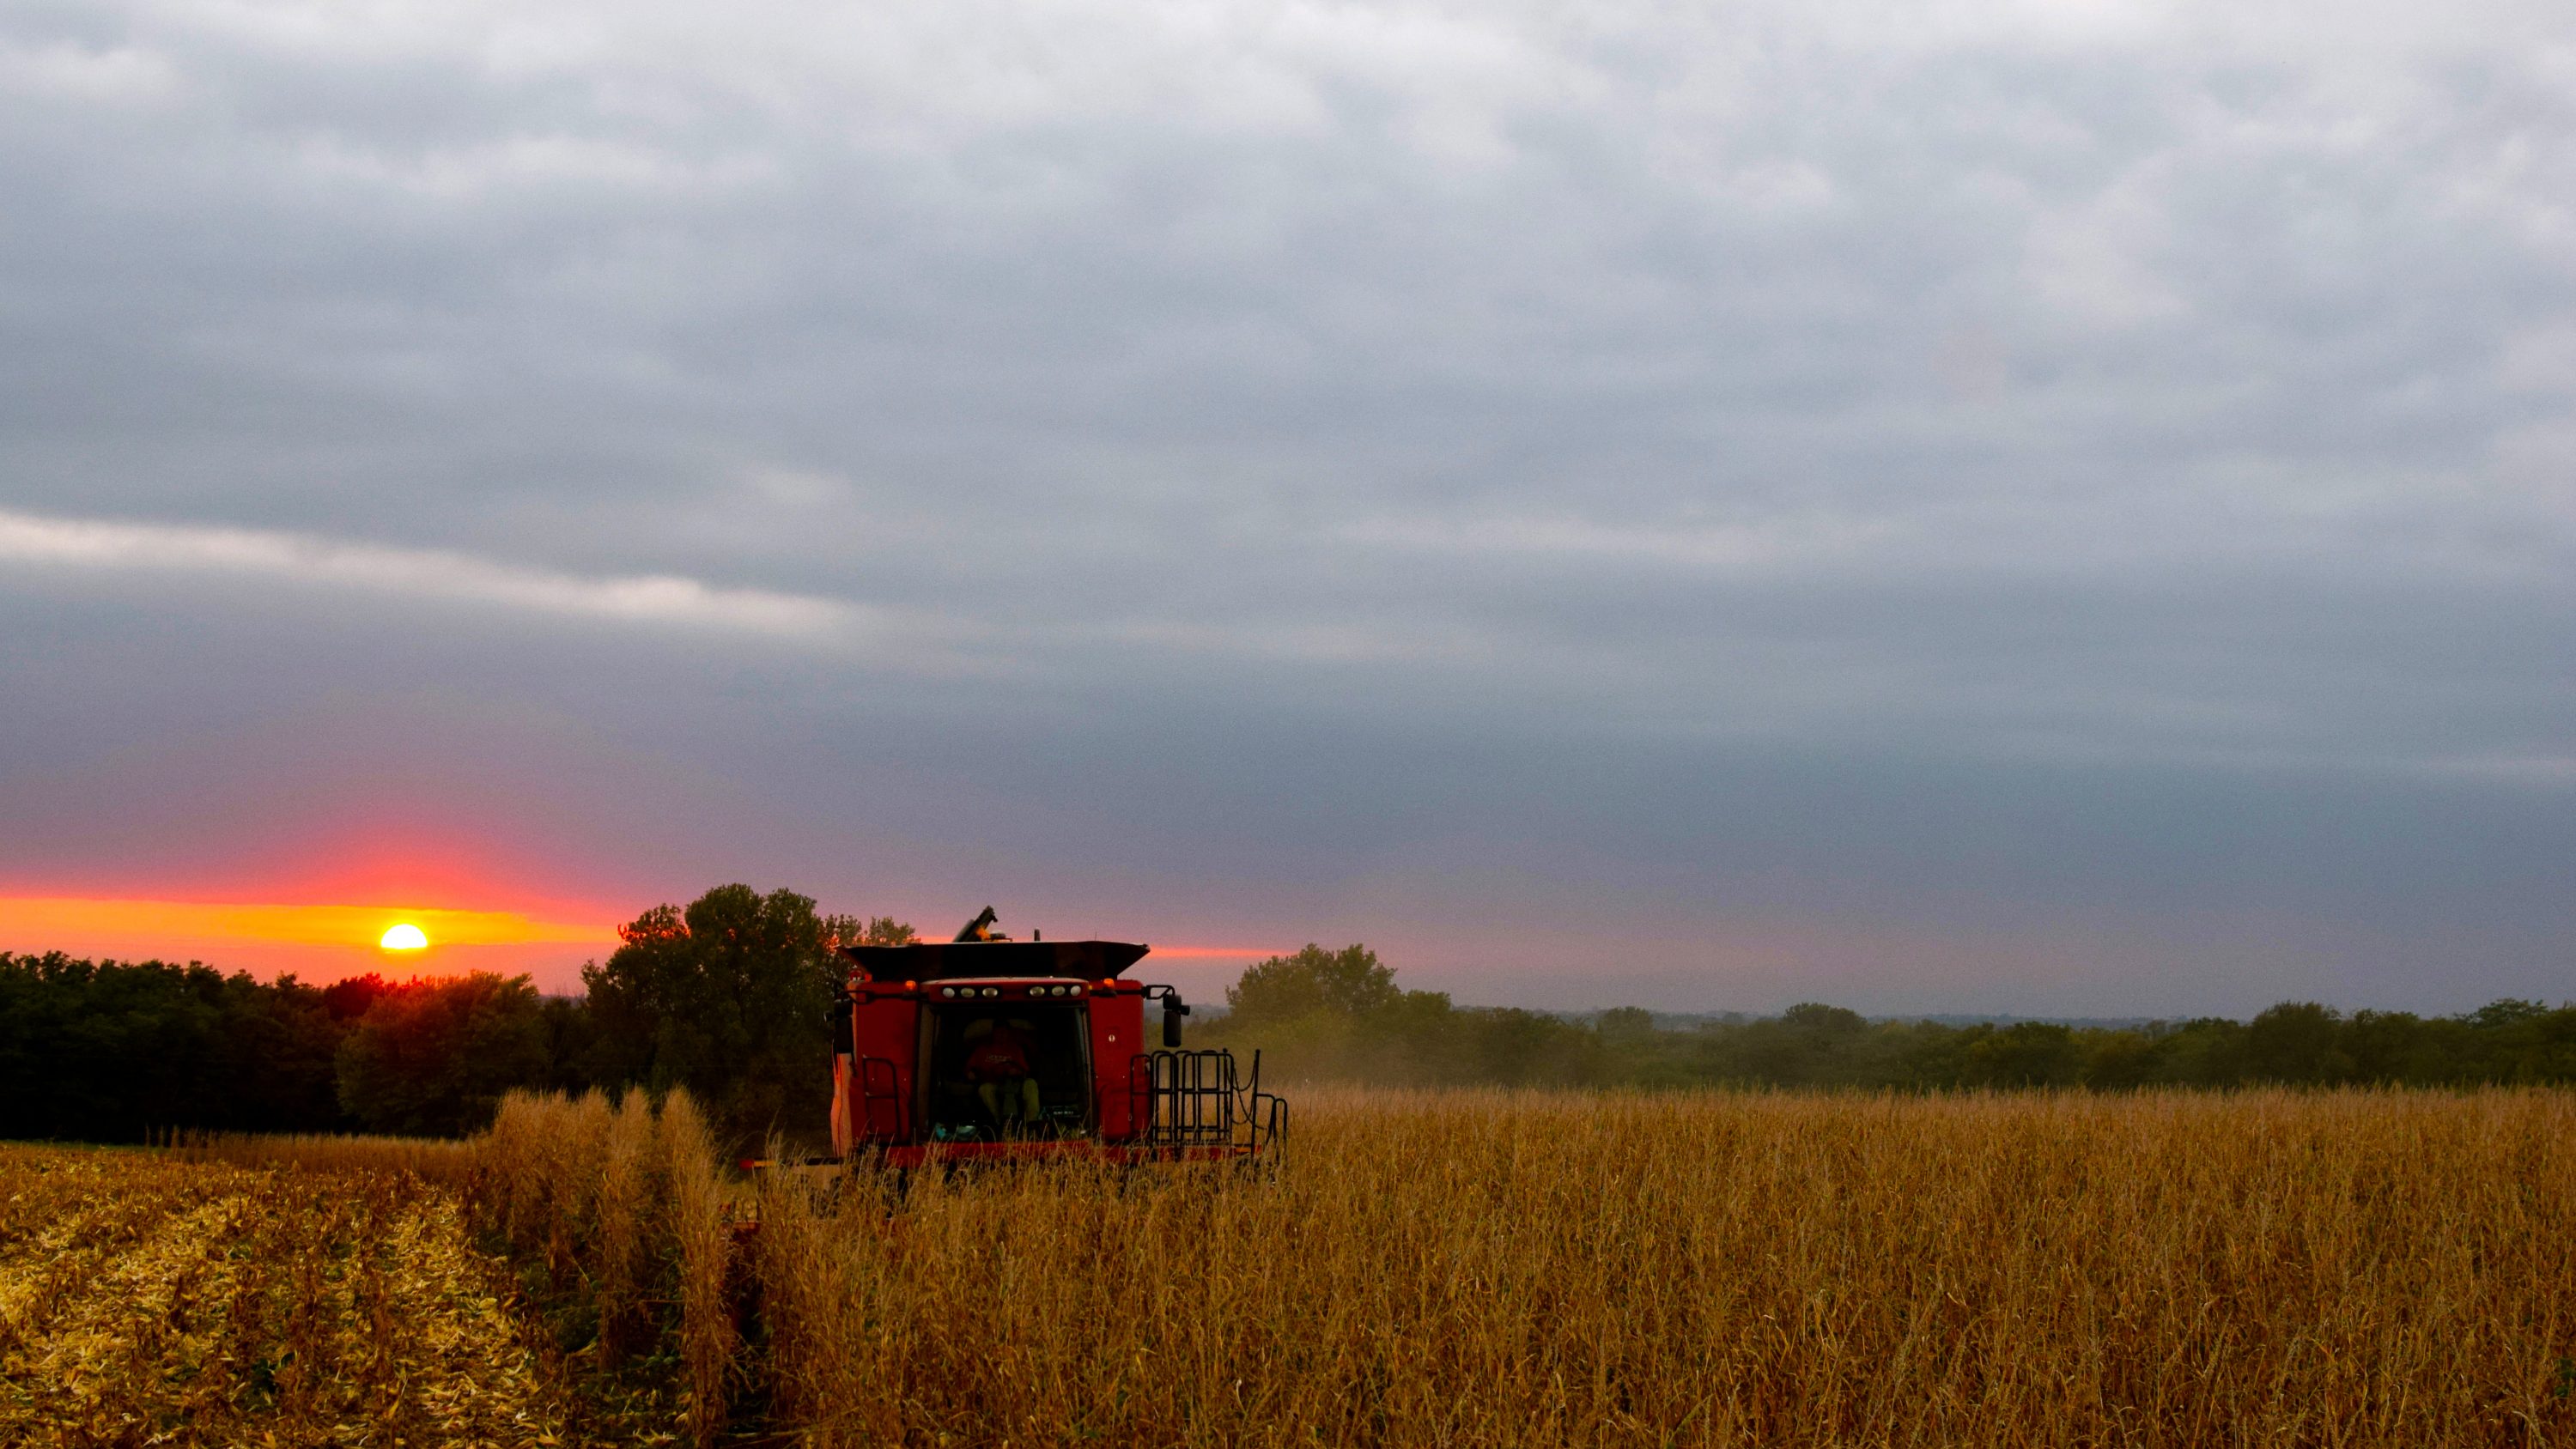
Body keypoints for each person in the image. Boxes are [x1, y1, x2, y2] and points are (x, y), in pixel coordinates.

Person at [963, 1018, 1044, 1131]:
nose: (1001, 1035)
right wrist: (971, 1074)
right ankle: (1000, 1122)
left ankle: (1031, 1124)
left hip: (1014, 1086)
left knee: (1031, 1084)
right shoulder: (982, 1050)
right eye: (998, 1032)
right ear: (994, 1033)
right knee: (984, 1089)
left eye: (1004, 1032)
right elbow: (969, 1069)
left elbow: (1025, 1070)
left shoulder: (1016, 1050)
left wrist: (1015, 1072)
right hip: (993, 1084)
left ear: (1008, 1033)